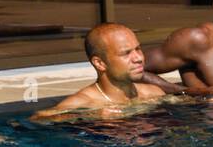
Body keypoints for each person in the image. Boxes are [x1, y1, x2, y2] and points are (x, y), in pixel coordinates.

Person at [32, 23, 166, 120]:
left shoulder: (153, 93)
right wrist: (90, 115)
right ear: (100, 63)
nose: (138, 58)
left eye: (138, 49)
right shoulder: (83, 103)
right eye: (126, 53)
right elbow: (37, 120)